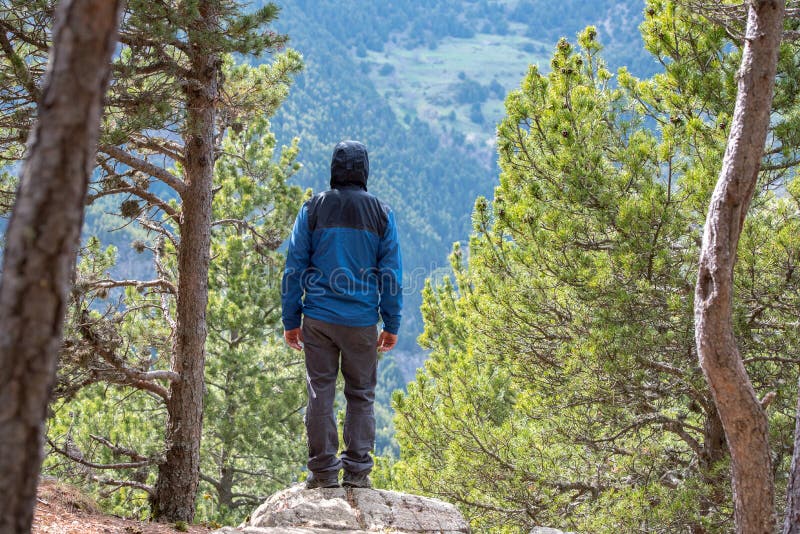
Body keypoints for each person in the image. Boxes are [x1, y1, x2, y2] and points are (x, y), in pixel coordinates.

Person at [281, 140, 403, 489]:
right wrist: (391, 323)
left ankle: (322, 474)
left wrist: (292, 321)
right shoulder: (381, 213)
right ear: (365, 170)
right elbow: (391, 274)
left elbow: (294, 268)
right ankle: (357, 474)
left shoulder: (313, 208)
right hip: (362, 323)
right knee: (361, 394)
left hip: (318, 320)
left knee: (320, 391)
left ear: (334, 168)